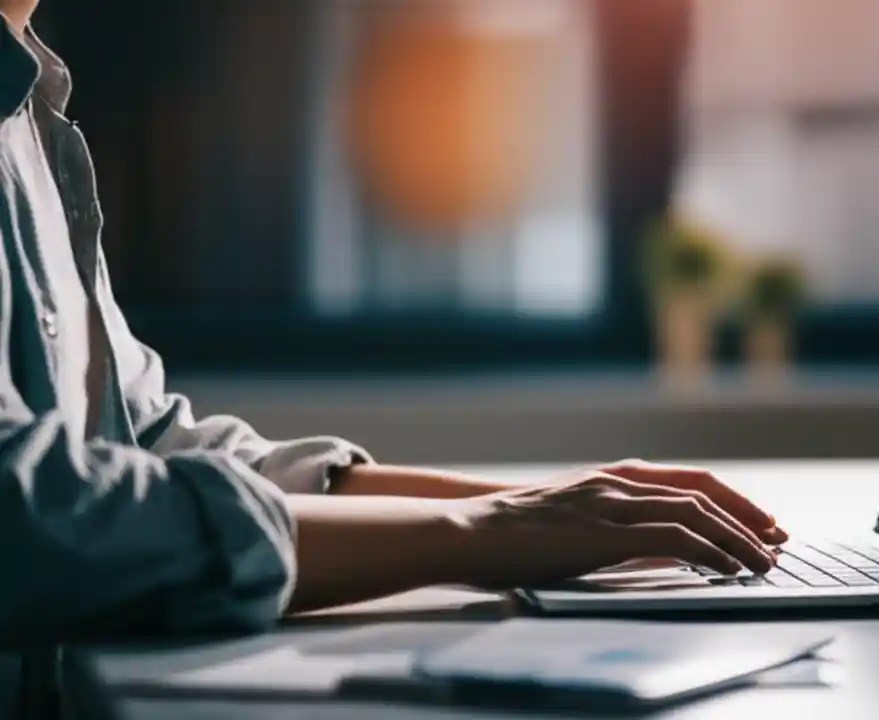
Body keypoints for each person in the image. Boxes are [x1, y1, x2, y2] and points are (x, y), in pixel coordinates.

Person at [0, 0, 785, 641]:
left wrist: (550, 509)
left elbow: (141, 443)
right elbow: (30, 522)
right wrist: (474, 531)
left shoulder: (28, 117)